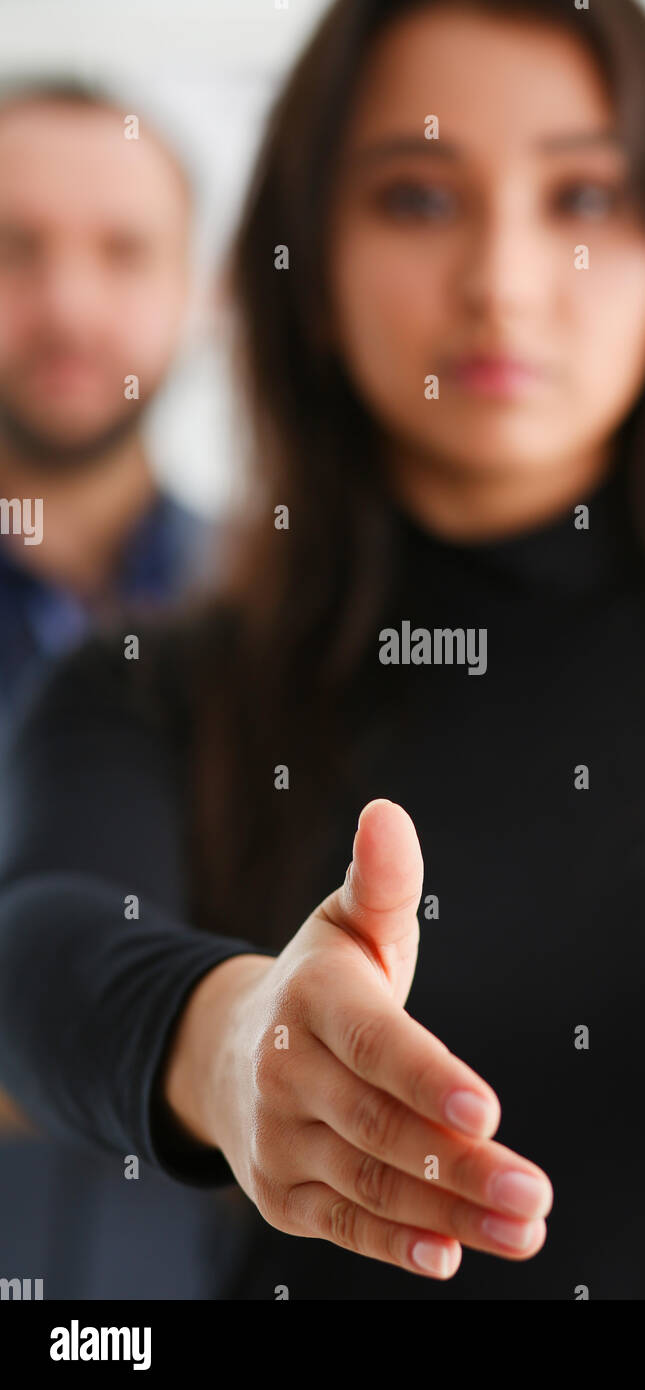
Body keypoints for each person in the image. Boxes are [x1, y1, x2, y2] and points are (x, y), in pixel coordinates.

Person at [1, 0, 645, 1300]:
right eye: (415, 197)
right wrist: (224, 1039)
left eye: (581, 196)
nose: (502, 281)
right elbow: (37, 946)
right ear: (308, 270)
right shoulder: (155, 686)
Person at [0, 80, 235, 1299]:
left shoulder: (295, 631)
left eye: (124, 251)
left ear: (196, 290)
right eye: (15, 248)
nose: (69, 304)